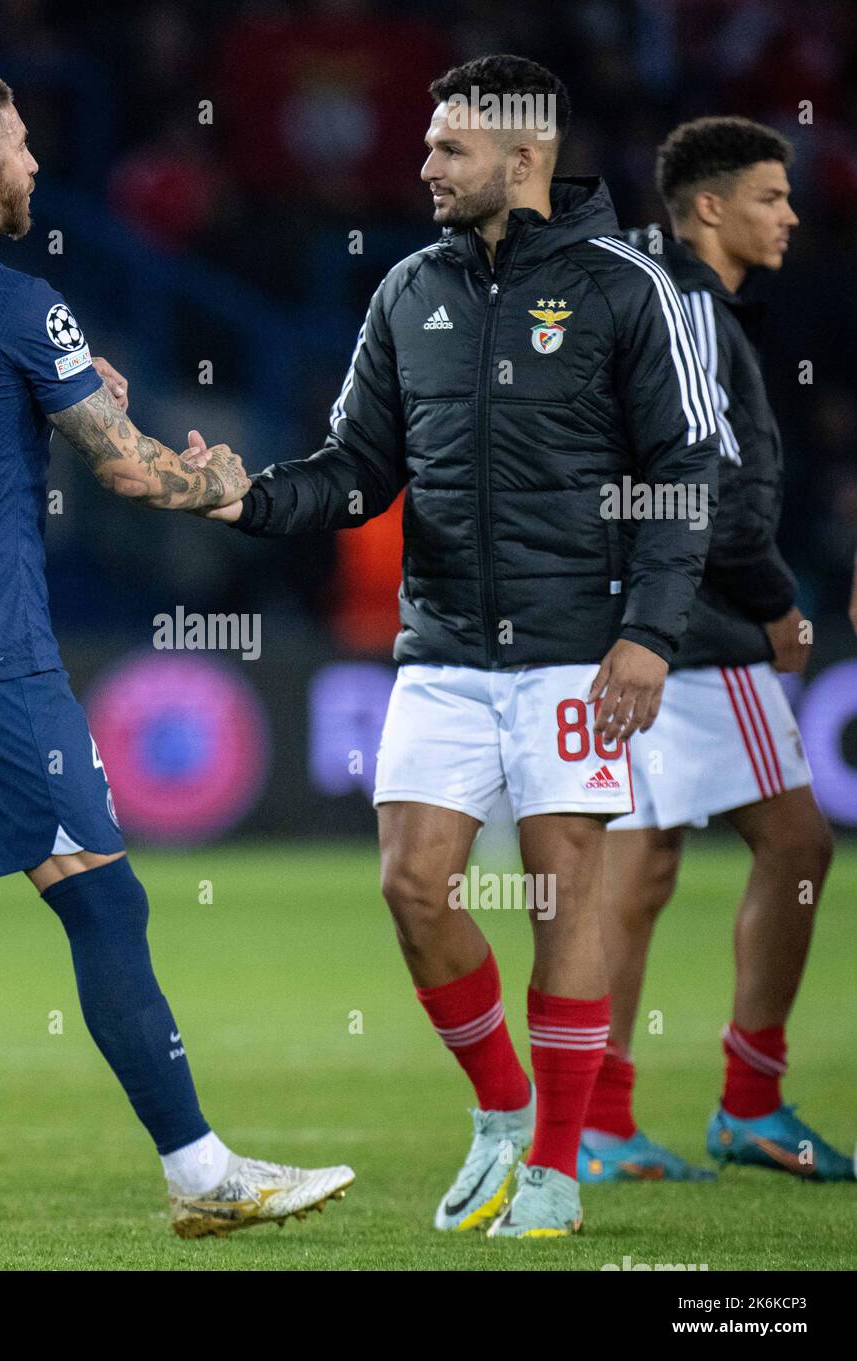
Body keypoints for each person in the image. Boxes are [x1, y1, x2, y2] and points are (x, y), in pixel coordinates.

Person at [0, 69, 354, 1241]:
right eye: (16, 146)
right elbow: (123, 465)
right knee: (107, 903)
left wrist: (60, 400)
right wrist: (219, 484)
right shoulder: (17, 301)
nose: (34, 165)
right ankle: (203, 1171)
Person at [207, 54, 720, 1238]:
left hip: (571, 653)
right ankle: (501, 1111)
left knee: (560, 891)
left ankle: (552, 1170)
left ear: (521, 155)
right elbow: (356, 469)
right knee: (411, 883)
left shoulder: (626, 288)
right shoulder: (408, 291)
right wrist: (251, 501)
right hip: (438, 648)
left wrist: (647, 631)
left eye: (448, 146)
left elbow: (684, 471)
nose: (424, 163)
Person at [579, 117, 851, 1183]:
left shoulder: (656, 297)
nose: (789, 215)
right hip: (692, 625)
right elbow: (712, 487)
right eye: (770, 197)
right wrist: (780, 602)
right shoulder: (687, 307)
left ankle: (606, 1116)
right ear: (707, 206)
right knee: (793, 846)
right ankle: (745, 1100)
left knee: (639, 865)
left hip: (647, 611)